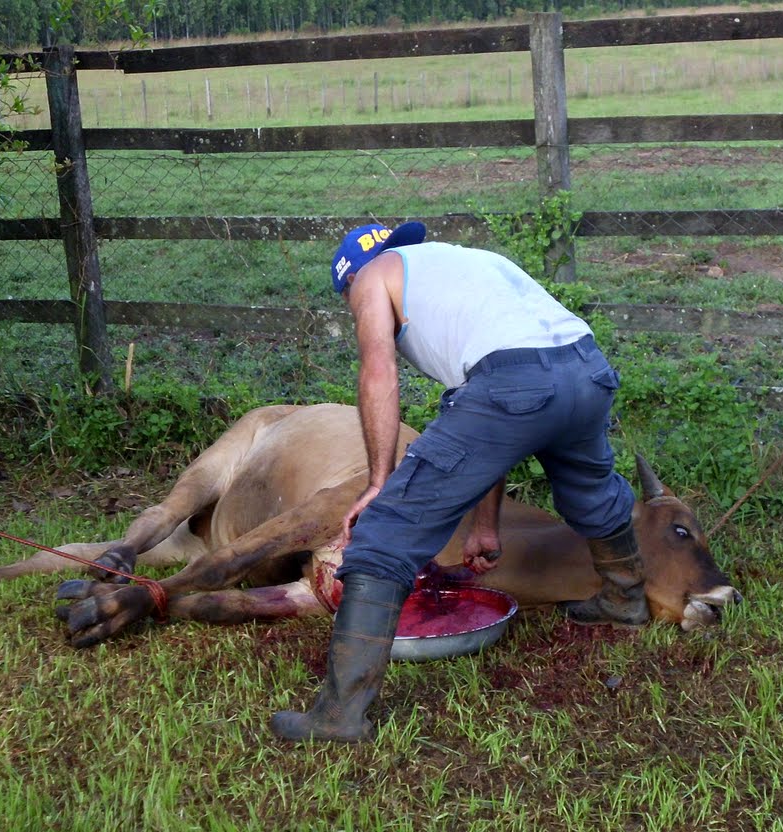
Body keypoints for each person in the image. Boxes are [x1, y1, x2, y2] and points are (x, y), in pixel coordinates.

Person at [269, 221, 648, 743]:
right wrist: (484, 526)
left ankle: (339, 715)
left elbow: (380, 372)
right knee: (592, 493)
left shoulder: (369, 278)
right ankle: (625, 598)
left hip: (514, 380)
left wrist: (380, 482)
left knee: (385, 533)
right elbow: (490, 416)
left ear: (350, 278)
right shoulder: (465, 263)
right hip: (585, 367)